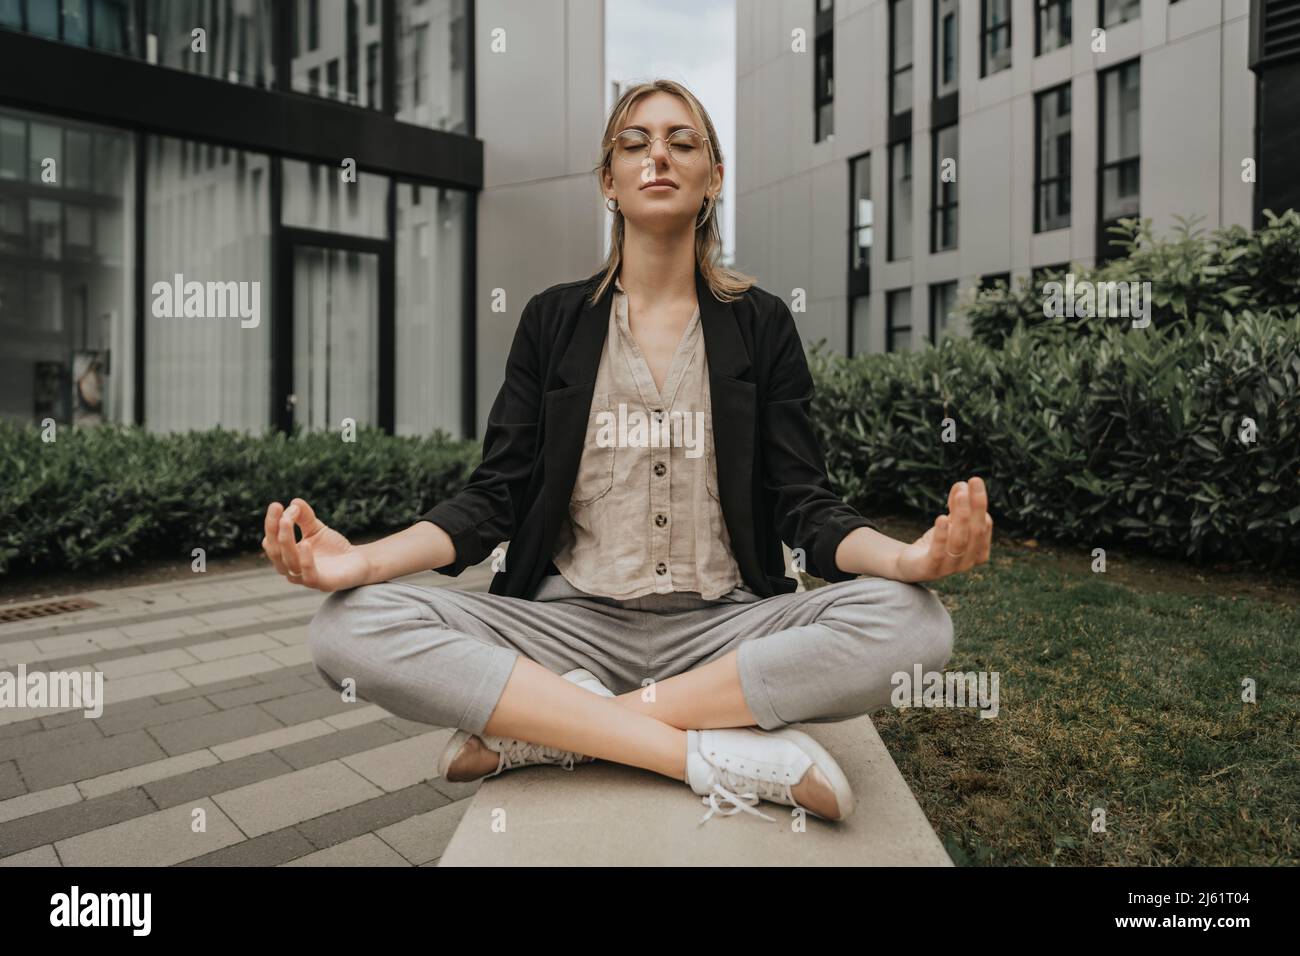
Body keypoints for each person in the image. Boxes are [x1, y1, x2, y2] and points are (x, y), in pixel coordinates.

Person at [266, 79, 993, 826]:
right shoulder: (555, 320)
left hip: (724, 629)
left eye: (683, 142)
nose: (659, 157)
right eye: (635, 142)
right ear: (608, 181)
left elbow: (804, 503)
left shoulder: (761, 324)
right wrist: (360, 563)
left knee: (917, 625)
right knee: (345, 627)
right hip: (567, 625)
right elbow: (494, 497)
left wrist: (907, 561)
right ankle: (694, 752)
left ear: (714, 179)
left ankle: (559, 729)